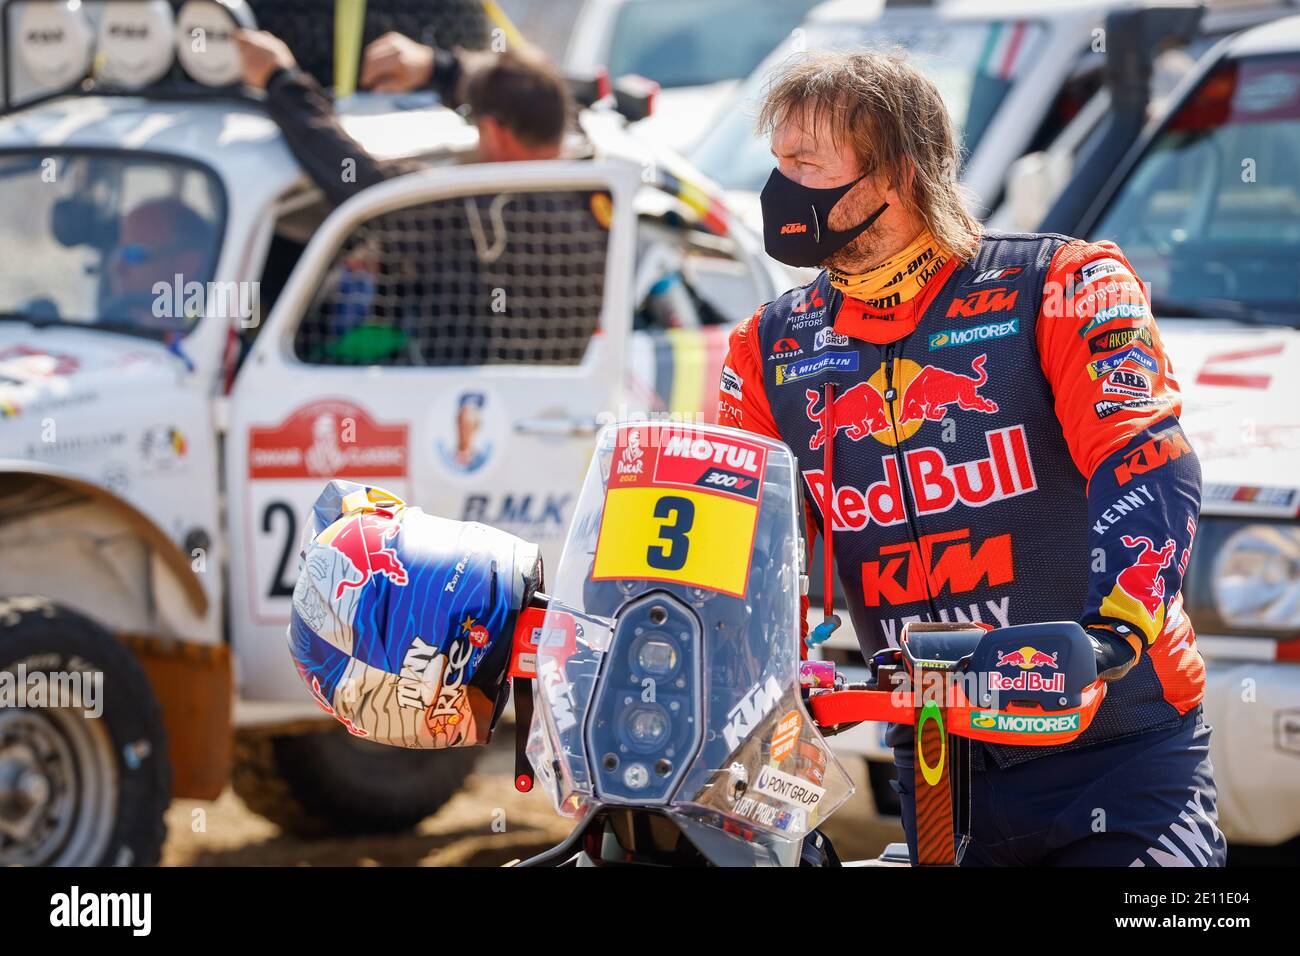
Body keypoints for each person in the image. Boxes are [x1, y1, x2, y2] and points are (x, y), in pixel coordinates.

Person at [717, 50, 1220, 867]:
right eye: (777, 165)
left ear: (896, 176)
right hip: (938, 765)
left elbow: (1144, 456)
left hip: (1119, 753)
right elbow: (740, 547)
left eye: (805, 164)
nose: (781, 190)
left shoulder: (1065, 284)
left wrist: (1116, 630)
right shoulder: (768, 348)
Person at [234, 29, 573, 207]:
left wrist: (281, 80)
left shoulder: (477, 212)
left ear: (495, 133)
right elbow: (545, 87)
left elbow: (363, 181)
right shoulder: (592, 194)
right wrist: (435, 67)